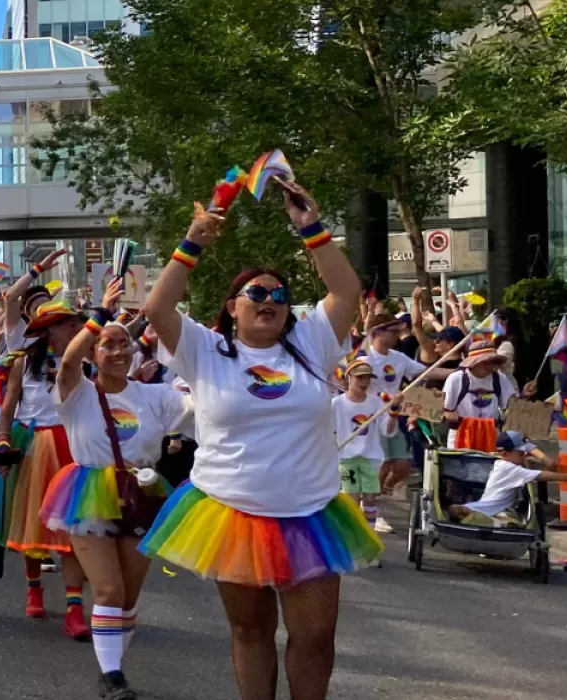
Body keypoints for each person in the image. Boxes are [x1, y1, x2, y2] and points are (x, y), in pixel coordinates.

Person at [140, 179, 380, 700]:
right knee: (250, 632)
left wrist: (311, 228)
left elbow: (347, 292)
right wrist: (195, 240)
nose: (269, 300)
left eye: (279, 294)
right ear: (231, 306)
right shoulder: (205, 350)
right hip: (232, 512)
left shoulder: (313, 342)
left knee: (316, 637)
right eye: (256, 293)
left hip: (311, 511)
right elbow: (158, 309)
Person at [42, 280, 188, 699]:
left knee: (127, 597)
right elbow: (68, 359)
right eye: (108, 345)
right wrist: (101, 315)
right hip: (88, 493)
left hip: (143, 492)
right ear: (93, 354)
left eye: (125, 344)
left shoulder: (156, 396)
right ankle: (111, 677)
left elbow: (205, 410)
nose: (119, 351)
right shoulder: (76, 392)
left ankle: (115, 667)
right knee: (107, 589)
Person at [0, 296, 92, 636]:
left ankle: (74, 607)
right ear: (51, 330)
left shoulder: (84, 362)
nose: (76, 328)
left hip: (74, 447)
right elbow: (8, 408)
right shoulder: (23, 363)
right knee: (31, 521)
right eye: (69, 324)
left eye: (76, 323)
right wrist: (3, 440)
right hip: (34, 446)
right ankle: (34, 587)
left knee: (73, 527)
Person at [358, 313, 427, 517]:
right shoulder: (365, 359)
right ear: (377, 332)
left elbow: (426, 372)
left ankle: (380, 493)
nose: (398, 335)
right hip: (371, 419)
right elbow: (351, 387)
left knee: (402, 466)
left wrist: (460, 370)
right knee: (382, 464)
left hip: (393, 418)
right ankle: (370, 510)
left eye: (399, 331)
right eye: (393, 331)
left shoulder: (399, 358)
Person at [447, 432, 567, 528]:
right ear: (505, 453)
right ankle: (495, 523)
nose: (524, 456)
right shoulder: (509, 468)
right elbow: (541, 475)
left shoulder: (508, 463)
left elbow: (538, 458)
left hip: (498, 510)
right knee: (454, 509)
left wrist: (541, 457)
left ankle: (493, 523)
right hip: (488, 510)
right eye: (521, 453)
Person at [331, 360, 392, 550]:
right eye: (359, 377)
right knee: (352, 499)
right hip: (346, 457)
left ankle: (368, 542)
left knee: (371, 499)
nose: (364, 382)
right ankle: (348, 541)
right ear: (349, 378)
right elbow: (328, 430)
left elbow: (387, 430)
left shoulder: (376, 402)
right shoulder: (337, 403)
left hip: (371, 457)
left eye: (367, 378)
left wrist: (395, 414)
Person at [441, 342, 515, 452]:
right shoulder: (456, 379)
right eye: (486, 362)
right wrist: (447, 413)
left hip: (491, 436)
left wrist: (525, 395)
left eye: (493, 362)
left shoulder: (500, 379)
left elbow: (511, 405)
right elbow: (443, 408)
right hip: (460, 435)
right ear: (473, 362)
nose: (490, 366)